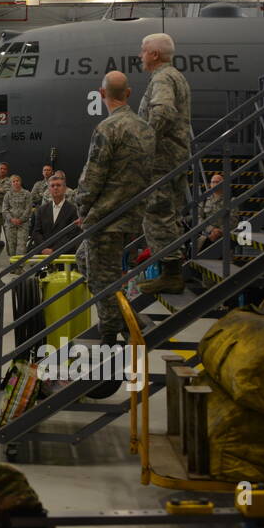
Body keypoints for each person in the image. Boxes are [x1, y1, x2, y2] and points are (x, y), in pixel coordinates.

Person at [74, 71, 156, 345]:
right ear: (129, 93)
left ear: (101, 93)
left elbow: (92, 178)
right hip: (131, 215)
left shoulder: (107, 129)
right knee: (84, 259)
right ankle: (134, 321)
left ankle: (110, 336)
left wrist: (82, 208)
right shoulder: (145, 128)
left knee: (102, 282)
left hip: (105, 218)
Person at [137, 32, 193, 295]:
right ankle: (171, 271)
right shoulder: (176, 76)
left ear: (154, 54)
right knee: (169, 213)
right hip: (175, 157)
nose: (140, 55)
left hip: (161, 160)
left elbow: (163, 111)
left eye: (143, 50)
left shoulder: (162, 78)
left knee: (157, 213)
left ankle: (171, 274)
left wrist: (143, 143)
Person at [27, 172, 78, 255]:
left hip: (64, 255)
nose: (55, 188)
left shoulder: (73, 210)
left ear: (64, 188)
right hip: (44, 254)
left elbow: (71, 235)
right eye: (52, 186)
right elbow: (36, 232)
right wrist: (44, 248)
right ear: (49, 189)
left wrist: (54, 250)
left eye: (58, 185)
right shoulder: (41, 210)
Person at [2, 174, 34, 257]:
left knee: (21, 247)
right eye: (13, 181)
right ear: (11, 183)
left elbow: (28, 208)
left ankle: (20, 268)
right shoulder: (8, 195)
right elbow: (5, 209)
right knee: (11, 247)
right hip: (10, 224)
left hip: (23, 224)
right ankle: (13, 267)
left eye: (17, 181)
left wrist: (21, 219)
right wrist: (11, 219)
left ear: (20, 182)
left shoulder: (27, 194)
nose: (16, 183)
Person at [196, 173, 227, 253]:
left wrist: (219, 232)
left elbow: (233, 220)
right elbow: (198, 217)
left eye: (217, 182)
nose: (215, 184)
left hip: (223, 237)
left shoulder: (230, 200)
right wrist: (211, 230)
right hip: (206, 236)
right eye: (213, 182)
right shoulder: (204, 199)